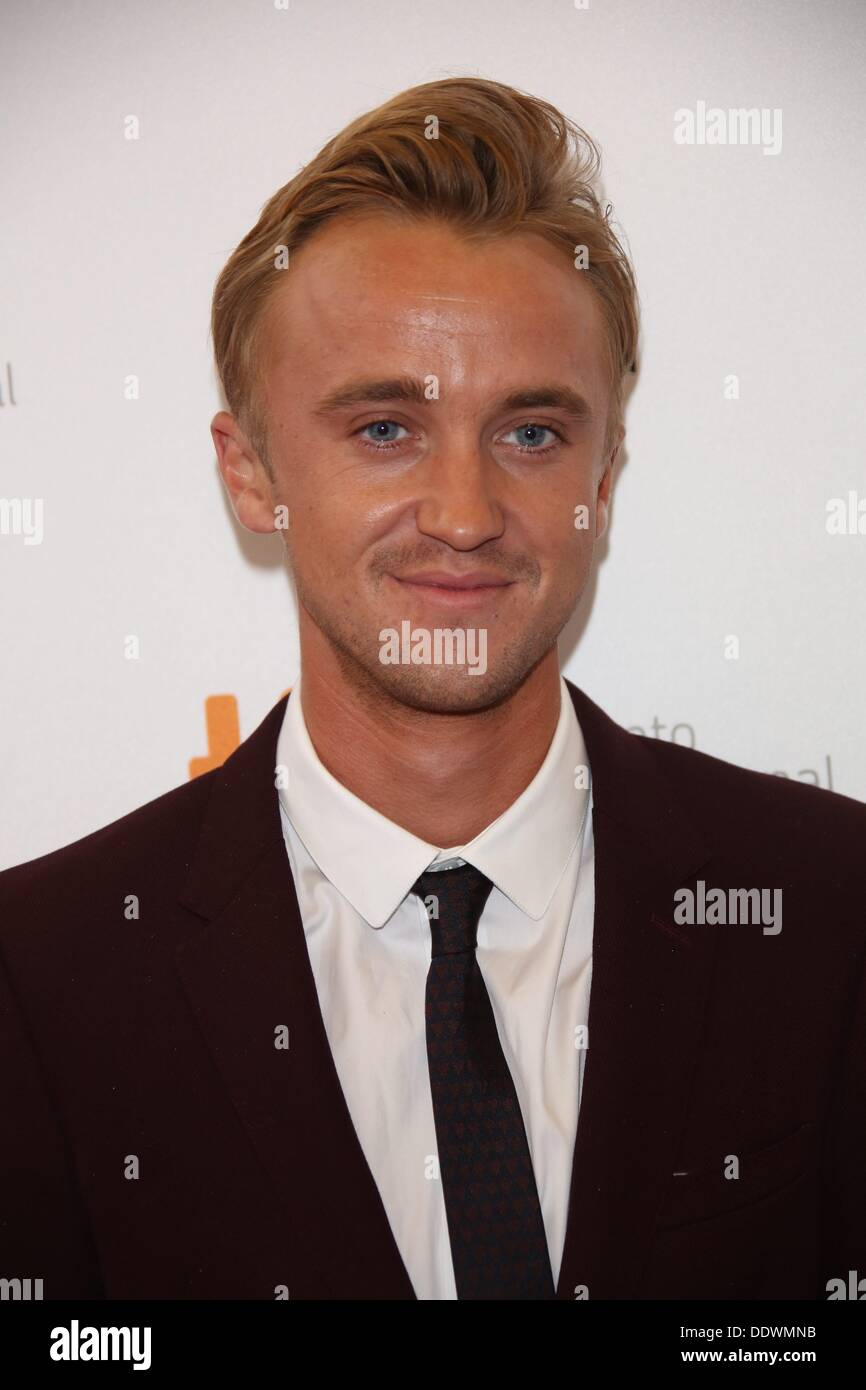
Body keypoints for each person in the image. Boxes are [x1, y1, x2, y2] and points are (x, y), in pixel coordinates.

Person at [1, 76, 863, 1302]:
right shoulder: (42, 977)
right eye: (383, 430)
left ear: (602, 476)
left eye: (529, 434)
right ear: (250, 476)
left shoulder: (830, 907)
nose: (464, 516)